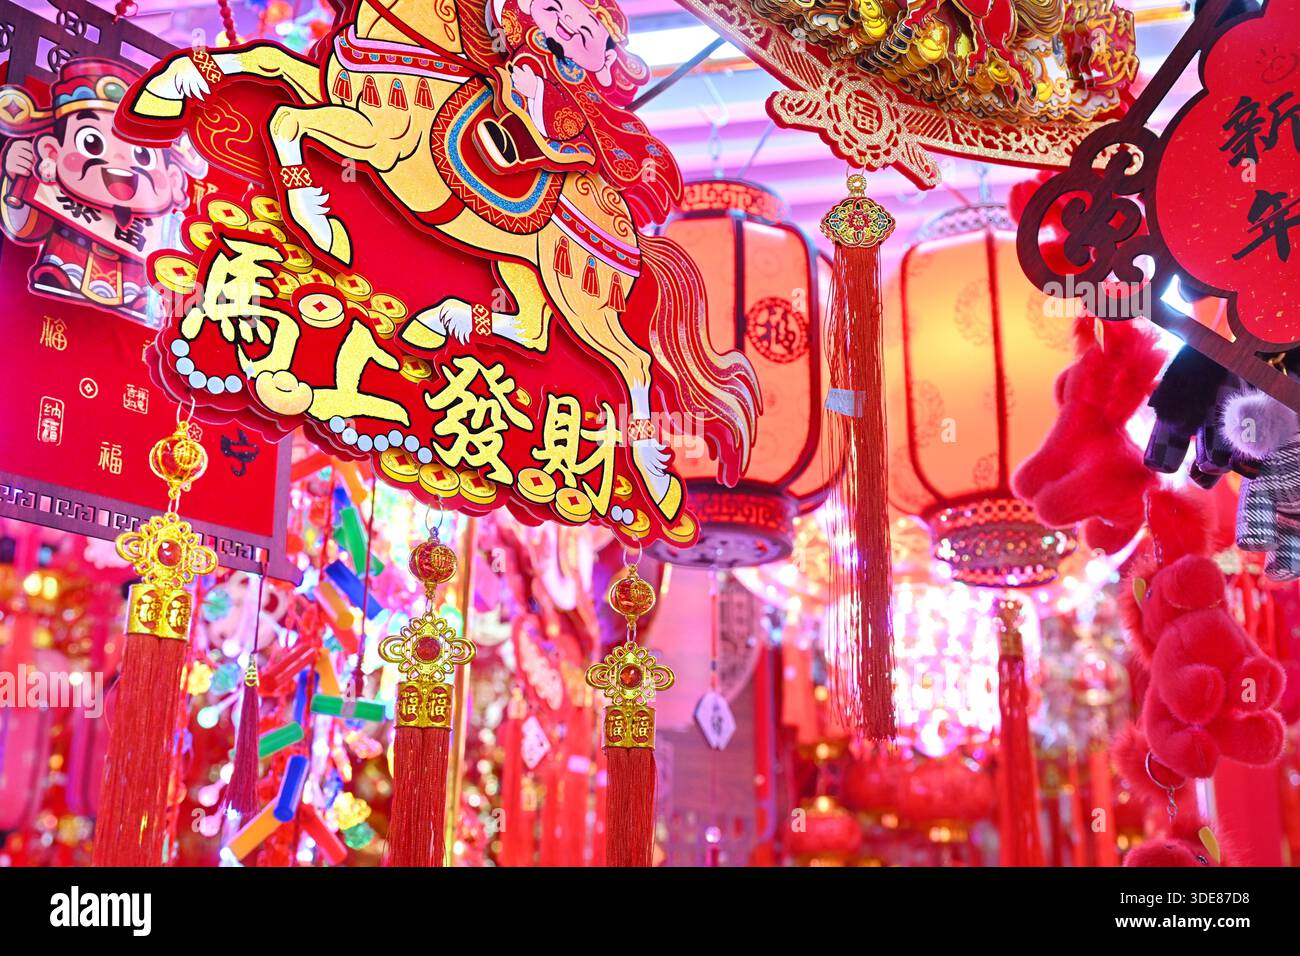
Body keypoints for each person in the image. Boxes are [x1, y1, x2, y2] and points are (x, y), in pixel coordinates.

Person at [0, 58, 204, 322]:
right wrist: (20, 177)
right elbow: (26, 226)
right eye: (92, 143)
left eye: (143, 156)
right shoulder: (51, 186)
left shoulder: (165, 229)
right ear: (52, 150)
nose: (120, 163)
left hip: (136, 295)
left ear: (174, 179)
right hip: (60, 272)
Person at [473, 0, 681, 225]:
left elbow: (570, 115)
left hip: (560, 118)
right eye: (552, 9)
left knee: (563, 124)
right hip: (512, 81)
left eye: (585, 33)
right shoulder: (530, 37)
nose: (568, 21)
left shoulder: (582, 85)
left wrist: (537, 89)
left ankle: (515, 146)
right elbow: (505, 22)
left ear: (606, 61)